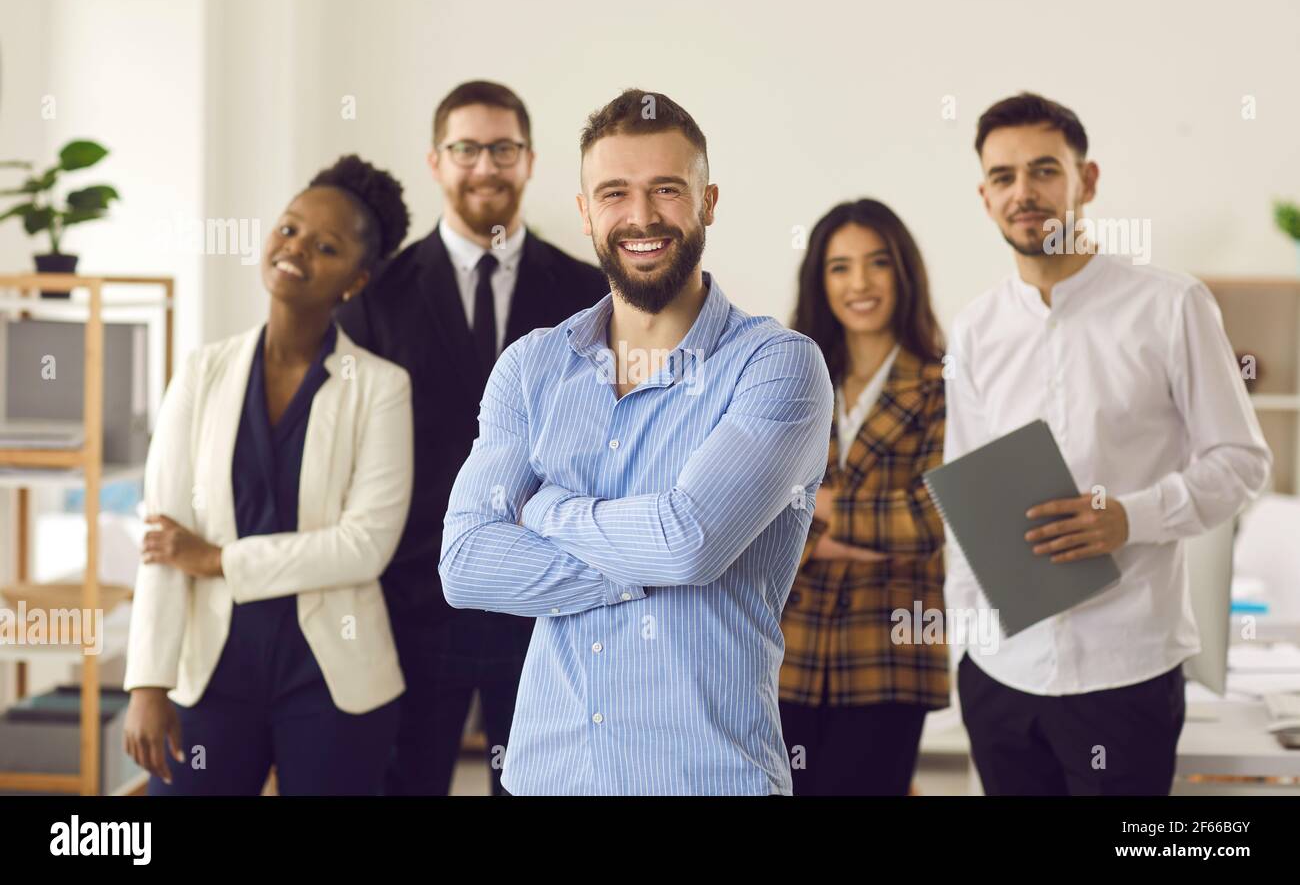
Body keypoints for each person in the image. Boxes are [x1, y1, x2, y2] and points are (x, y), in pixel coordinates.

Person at [438, 88, 833, 795]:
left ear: (708, 201)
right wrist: (652, 559)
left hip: (708, 779)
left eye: (667, 190)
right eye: (615, 193)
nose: (642, 216)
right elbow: (466, 562)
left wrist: (545, 511)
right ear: (586, 211)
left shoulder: (777, 365)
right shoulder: (533, 367)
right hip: (548, 776)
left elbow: (688, 542)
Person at [945, 92, 1272, 795]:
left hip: (1126, 672)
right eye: (1003, 177)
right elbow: (964, 493)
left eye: (1044, 170)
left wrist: (1132, 516)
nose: (1023, 193)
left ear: (1086, 182)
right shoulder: (974, 330)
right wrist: (965, 642)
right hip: (1001, 677)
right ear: (984, 195)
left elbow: (1243, 462)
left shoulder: (1171, 305)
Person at [334, 80, 608, 795]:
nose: (485, 166)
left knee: (542, 785)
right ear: (435, 161)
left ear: (529, 160)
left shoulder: (589, 293)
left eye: (502, 149)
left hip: (548, 594)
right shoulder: (375, 298)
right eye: (466, 149)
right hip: (416, 600)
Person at [122, 155, 414, 795]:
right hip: (212, 671)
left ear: (355, 281)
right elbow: (164, 539)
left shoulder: (382, 390)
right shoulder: (202, 373)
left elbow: (364, 547)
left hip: (333, 678)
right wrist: (148, 682)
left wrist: (220, 559)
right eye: (288, 229)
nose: (296, 250)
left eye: (325, 246)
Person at [780, 198, 948, 795]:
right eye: (839, 266)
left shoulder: (944, 386)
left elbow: (934, 523)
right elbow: (754, 520)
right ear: (819, 280)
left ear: (903, 273)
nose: (860, 284)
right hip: (784, 652)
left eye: (877, 263)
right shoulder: (791, 381)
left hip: (892, 650)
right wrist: (840, 539)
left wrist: (818, 511)